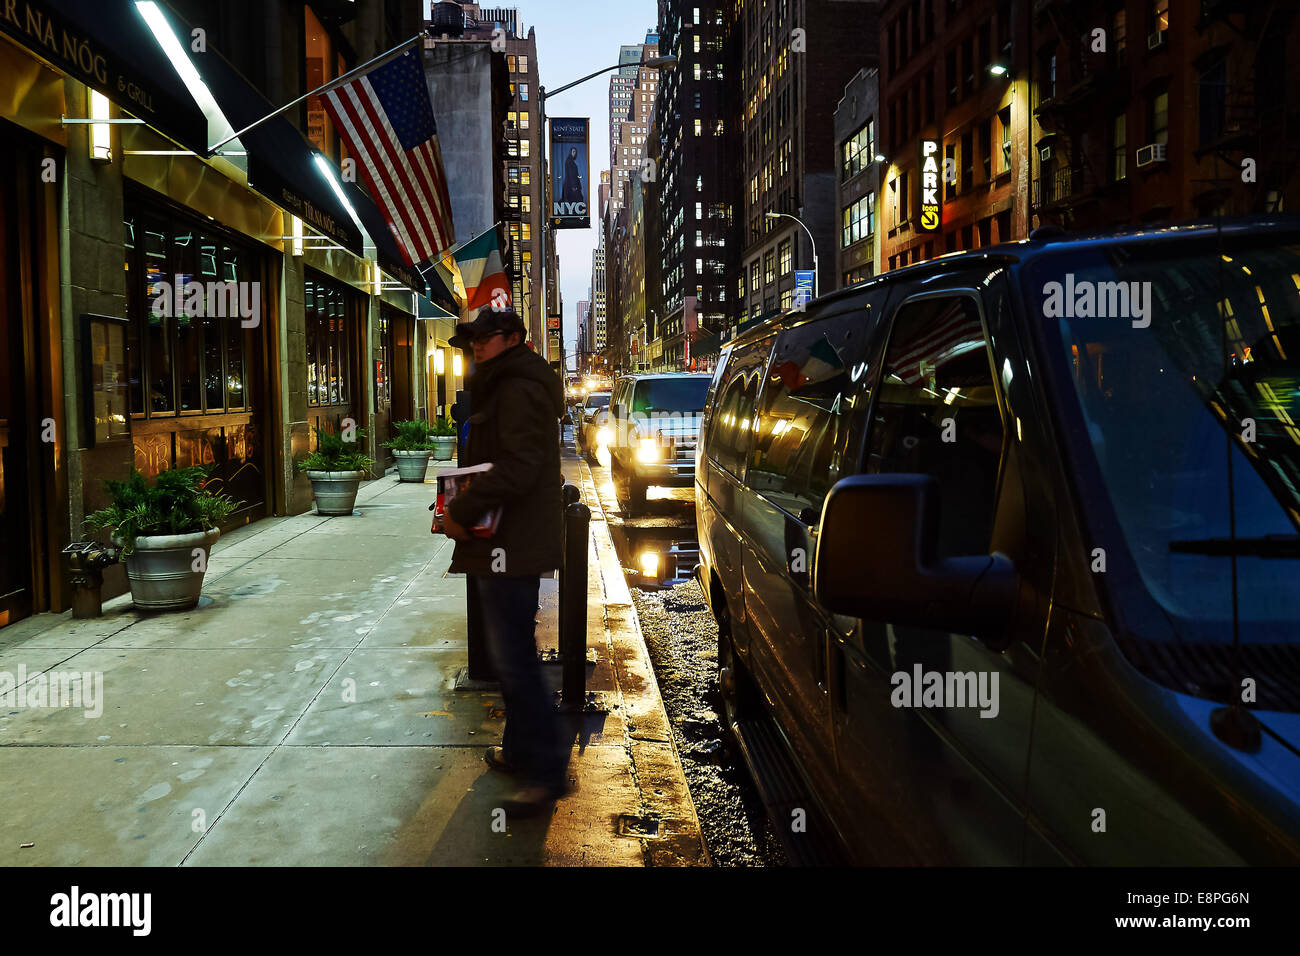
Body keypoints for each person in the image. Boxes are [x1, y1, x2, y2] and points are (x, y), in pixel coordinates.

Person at [441, 306, 568, 815]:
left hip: (510, 545)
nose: (476, 344)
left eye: (485, 337)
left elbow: (517, 467)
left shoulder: (516, 387)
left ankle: (546, 771)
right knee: (512, 656)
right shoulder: (507, 381)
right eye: (471, 338)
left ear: (512, 338)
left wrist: (462, 508)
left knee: (515, 659)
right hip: (507, 541)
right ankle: (522, 755)